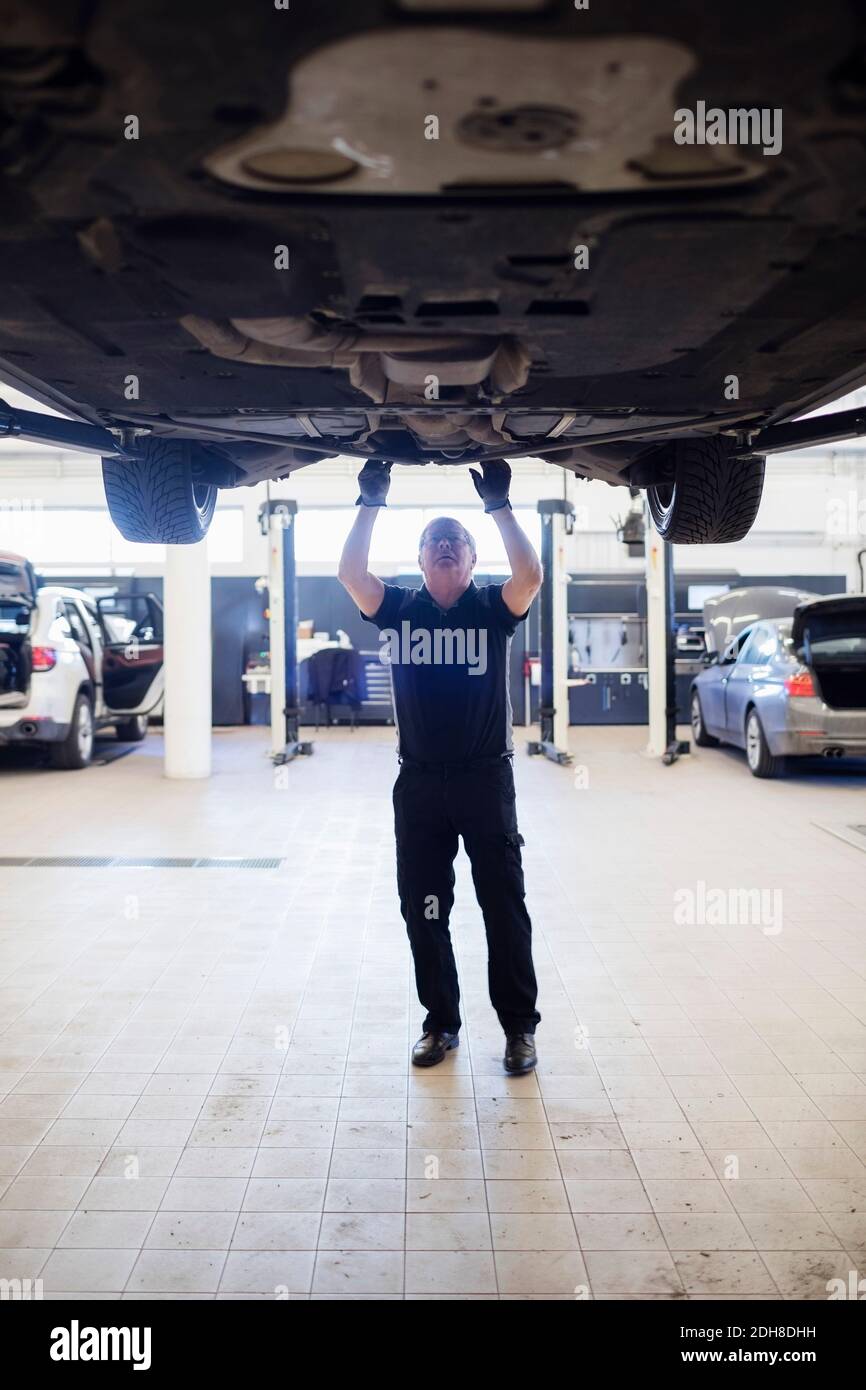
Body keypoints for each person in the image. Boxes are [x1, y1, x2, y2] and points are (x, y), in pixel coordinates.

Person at [338, 458, 544, 1073]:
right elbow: (350, 570)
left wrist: (500, 507)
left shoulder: (491, 608)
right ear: (422, 559)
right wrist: (370, 500)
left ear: (473, 560)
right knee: (424, 906)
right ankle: (441, 1023)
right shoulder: (398, 607)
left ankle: (518, 1030)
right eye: (435, 542)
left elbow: (531, 573)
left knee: (502, 906)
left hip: (486, 780)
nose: (446, 548)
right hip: (421, 784)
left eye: (457, 543)